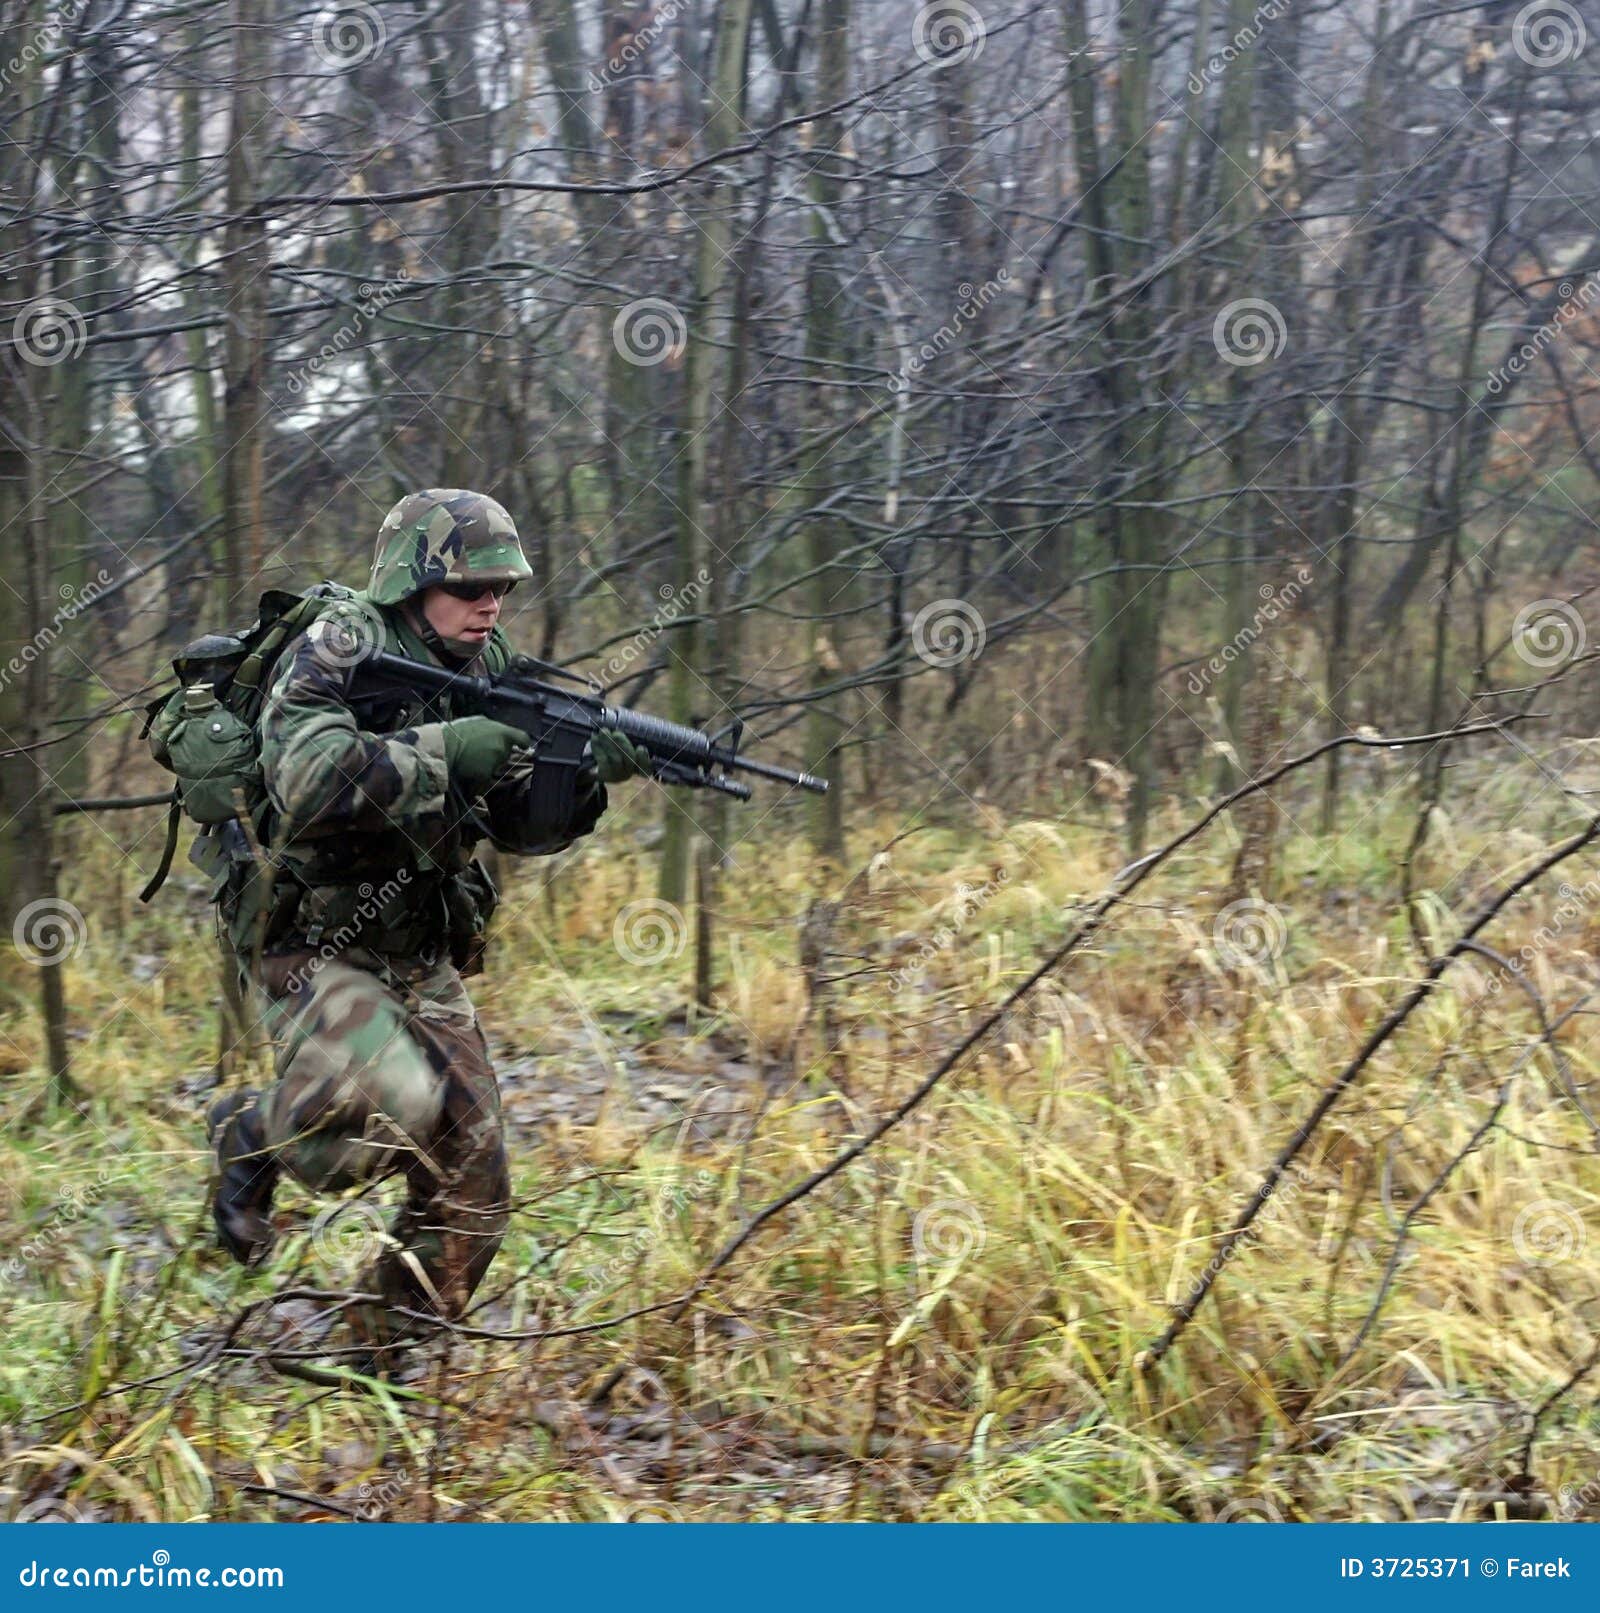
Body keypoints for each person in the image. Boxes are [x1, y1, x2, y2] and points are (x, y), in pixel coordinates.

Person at [204, 488, 650, 1363]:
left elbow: (518, 824)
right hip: (314, 939)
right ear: (413, 582)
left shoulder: (491, 664)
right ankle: (251, 1132)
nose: (491, 604)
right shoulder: (338, 646)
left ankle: (375, 1360)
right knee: (382, 1108)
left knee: (475, 1184)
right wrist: (448, 751)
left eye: (503, 590)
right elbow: (303, 781)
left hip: (419, 946)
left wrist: (581, 777)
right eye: (472, 586)